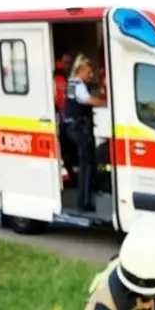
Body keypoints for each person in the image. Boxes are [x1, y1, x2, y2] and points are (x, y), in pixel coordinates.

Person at [66, 54, 107, 212]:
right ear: (81, 70)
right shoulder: (79, 85)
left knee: (86, 165)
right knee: (88, 165)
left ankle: (84, 201)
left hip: (73, 127)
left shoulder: (71, 83)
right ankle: (84, 203)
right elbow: (88, 100)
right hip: (80, 129)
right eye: (89, 72)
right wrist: (108, 102)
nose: (91, 75)